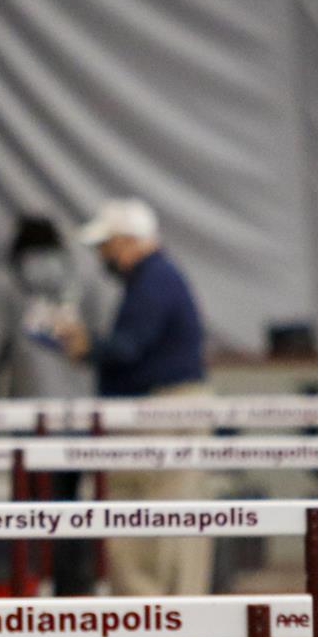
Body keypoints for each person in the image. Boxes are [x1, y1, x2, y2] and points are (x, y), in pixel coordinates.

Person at [55, 198, 212, 611]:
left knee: (139, 519)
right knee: (170, 517)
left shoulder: (153, 281)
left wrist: (86, 345)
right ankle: (172, 617)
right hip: (166, 407)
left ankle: (150, 619)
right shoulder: (160, 277)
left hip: (157, 412)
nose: (101, 256)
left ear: (127, 241)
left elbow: (128, 348)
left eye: (105, 246)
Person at [0, 214, 105, 596]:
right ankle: (73, 594)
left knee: (31, 515)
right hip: (79, 417)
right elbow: (100, 345)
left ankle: (38, 594)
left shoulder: (4, 285)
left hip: (28, 419)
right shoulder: (85, 282)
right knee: (71, 508)